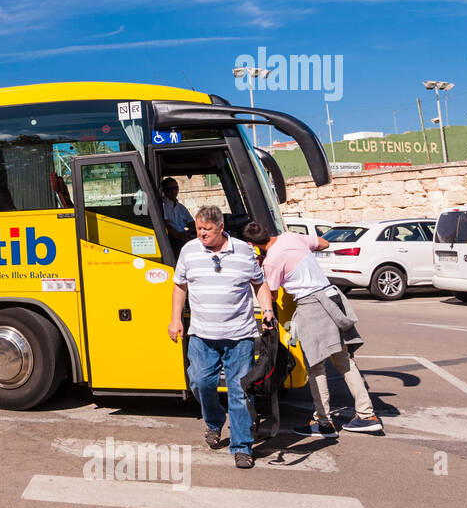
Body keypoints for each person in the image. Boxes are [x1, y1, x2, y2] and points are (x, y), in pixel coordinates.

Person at [242, 222, 383, 436]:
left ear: (252, 244)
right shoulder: (290, 237)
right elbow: (324, 243)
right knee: (343, 360)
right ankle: (366, 414)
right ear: (268, 233)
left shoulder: (271, 262)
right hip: (331, 297)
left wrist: (264, 265)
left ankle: (324, 422)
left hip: (311, 305)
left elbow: (269, 294)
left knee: (315, 365)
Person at [167, 205, 275, 469]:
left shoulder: (243, 252)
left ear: (221, 228)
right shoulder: (189, 251)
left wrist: (268, 309)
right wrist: (175, 318)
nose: (201, 234)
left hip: (240, 337)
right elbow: (180, 285)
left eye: (207, 230)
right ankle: (214, 421)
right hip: (202, 336)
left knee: (240, 392)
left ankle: (241, 447)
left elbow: (259, 283)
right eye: (198, 228)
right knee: (201, 383)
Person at [161, 177, 193, 250]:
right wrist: (180, 236)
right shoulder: (162, 206)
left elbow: (192, 224)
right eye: (169, 189)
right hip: (171, 239)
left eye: (175, 188)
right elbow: (166, 226)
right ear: (164, 191)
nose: (173, 192)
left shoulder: (181, 207)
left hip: (183, 236)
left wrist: (188, 233)